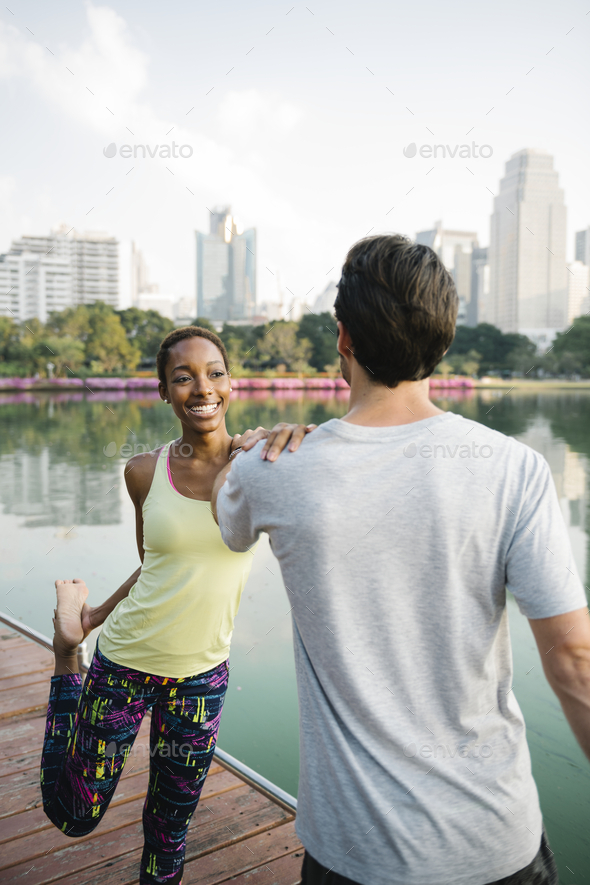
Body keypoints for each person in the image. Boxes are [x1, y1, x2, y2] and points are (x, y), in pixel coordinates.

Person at [212, 236, 590, 885]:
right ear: (442, 341)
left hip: (353, 855)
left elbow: (226, 518)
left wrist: (249, 444)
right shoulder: (516, 468)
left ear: (343, 338)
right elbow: (574, 660)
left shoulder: (273, 469)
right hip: (496, 845)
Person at [43, 325, 315, 885]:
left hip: (199, 681)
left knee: (169, 835)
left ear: (232, 384)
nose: (202, 388)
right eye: (183, 377)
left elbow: (341, 469)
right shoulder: (143, 471)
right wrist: (89, 624)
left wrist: (291, 435)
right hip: (123, 667)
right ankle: (65, 662)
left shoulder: (263, 470)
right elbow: (156, 567)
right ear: (163, 391)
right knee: (73, 814)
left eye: (215, 373)